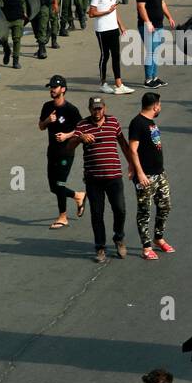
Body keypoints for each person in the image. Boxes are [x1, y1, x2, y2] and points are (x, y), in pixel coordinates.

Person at [74, 95, 134, 263]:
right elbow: (68, 148)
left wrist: (132, 165)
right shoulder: (82, 125)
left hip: (114, 177)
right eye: (94, 108)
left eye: (100, 108)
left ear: (104, 108)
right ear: (89, 109)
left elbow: (123, 144)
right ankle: (100, 247)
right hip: (93, 179)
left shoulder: (113, 122)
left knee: (120, 209)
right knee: (96, 214)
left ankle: (118, 238)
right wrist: (80, 138)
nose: (97, 111)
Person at [127, 91, 174, 261]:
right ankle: (146, 247)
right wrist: (138, 173)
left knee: (165, 206)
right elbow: (132, 149)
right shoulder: (137, 123)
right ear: (155, 106)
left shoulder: (150, 122)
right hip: (145, 176)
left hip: (159, 173)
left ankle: (158, 238)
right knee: (144, 211)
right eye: (159, 104)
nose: (160, 107)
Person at [38, 75, 87, 230]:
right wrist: (47, 121)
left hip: (66, 153)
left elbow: (81, 131)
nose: (52, 90)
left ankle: (63, 217)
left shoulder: (71, 110)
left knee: (60, 184)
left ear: (63, 89)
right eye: (51, 87)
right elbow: (40, 126)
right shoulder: (47, 106)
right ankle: (78, 195)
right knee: (53, 187)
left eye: (55, 87)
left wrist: (67, 135)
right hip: (51, 151)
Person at [88, 0, 132, 94]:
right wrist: (106, 12)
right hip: (102, 30)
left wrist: (121, 25)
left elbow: (114, 10)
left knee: (116, 55)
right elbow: (91, 13)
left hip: (113, 28)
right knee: (105, 55)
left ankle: (119, 84)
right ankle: (103, 83)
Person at [134, 0, 174, 88]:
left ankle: (155, 77)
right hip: (147, 26)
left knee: (156, 52)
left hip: (159, 25)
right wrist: (147, 22)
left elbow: (162, 3)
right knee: (151, 52)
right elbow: (141, 7)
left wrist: (169, 17)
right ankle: (148, 80)